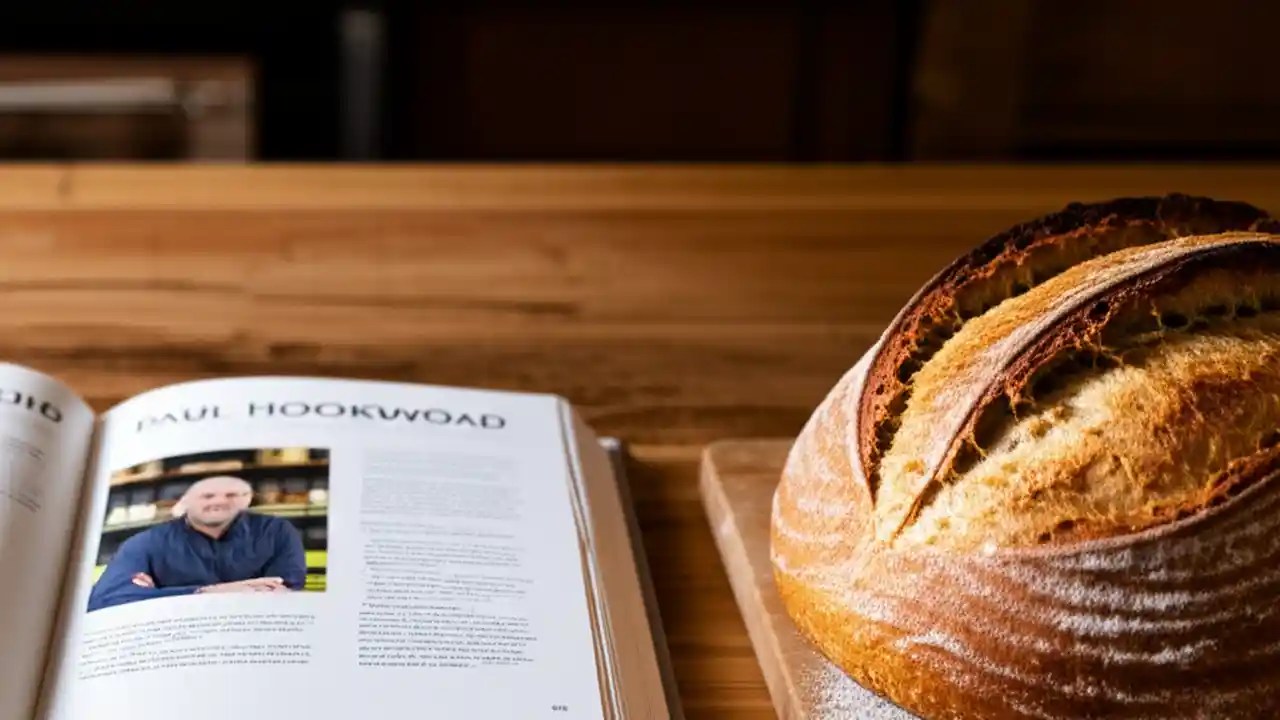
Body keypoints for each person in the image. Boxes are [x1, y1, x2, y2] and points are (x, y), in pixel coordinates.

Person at [87, 475, 307, 612]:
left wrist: (160, 595)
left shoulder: (276, 531)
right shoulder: (147, 543)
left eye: (231, 495)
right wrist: (205, 592)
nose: (219, 501)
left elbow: (281, 591)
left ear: (246, 499)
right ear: (185, 502)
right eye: (207, 496)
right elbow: (106, 600)